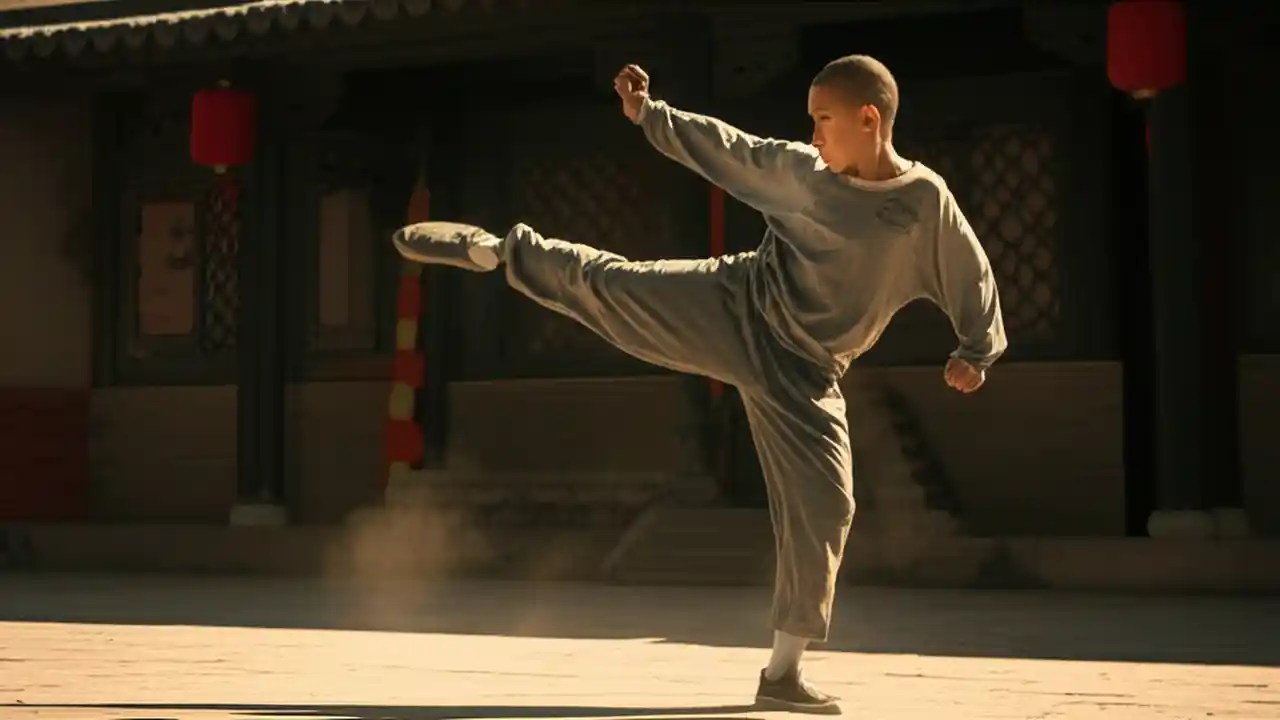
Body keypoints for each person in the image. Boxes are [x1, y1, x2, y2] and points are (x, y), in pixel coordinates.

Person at [392, 54, 1006, 714]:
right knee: (613, 286)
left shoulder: (922, 203)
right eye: (810, 122)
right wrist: (651, 116)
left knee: (830, 506)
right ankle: (499, 250)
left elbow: (970, 273)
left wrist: (977, 349)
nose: (813, 136)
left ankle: (783, 675)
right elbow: (730, 150)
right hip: (736, 306)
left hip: (808, 372)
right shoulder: (803, 174)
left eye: (823, 121)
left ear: (868, 119)